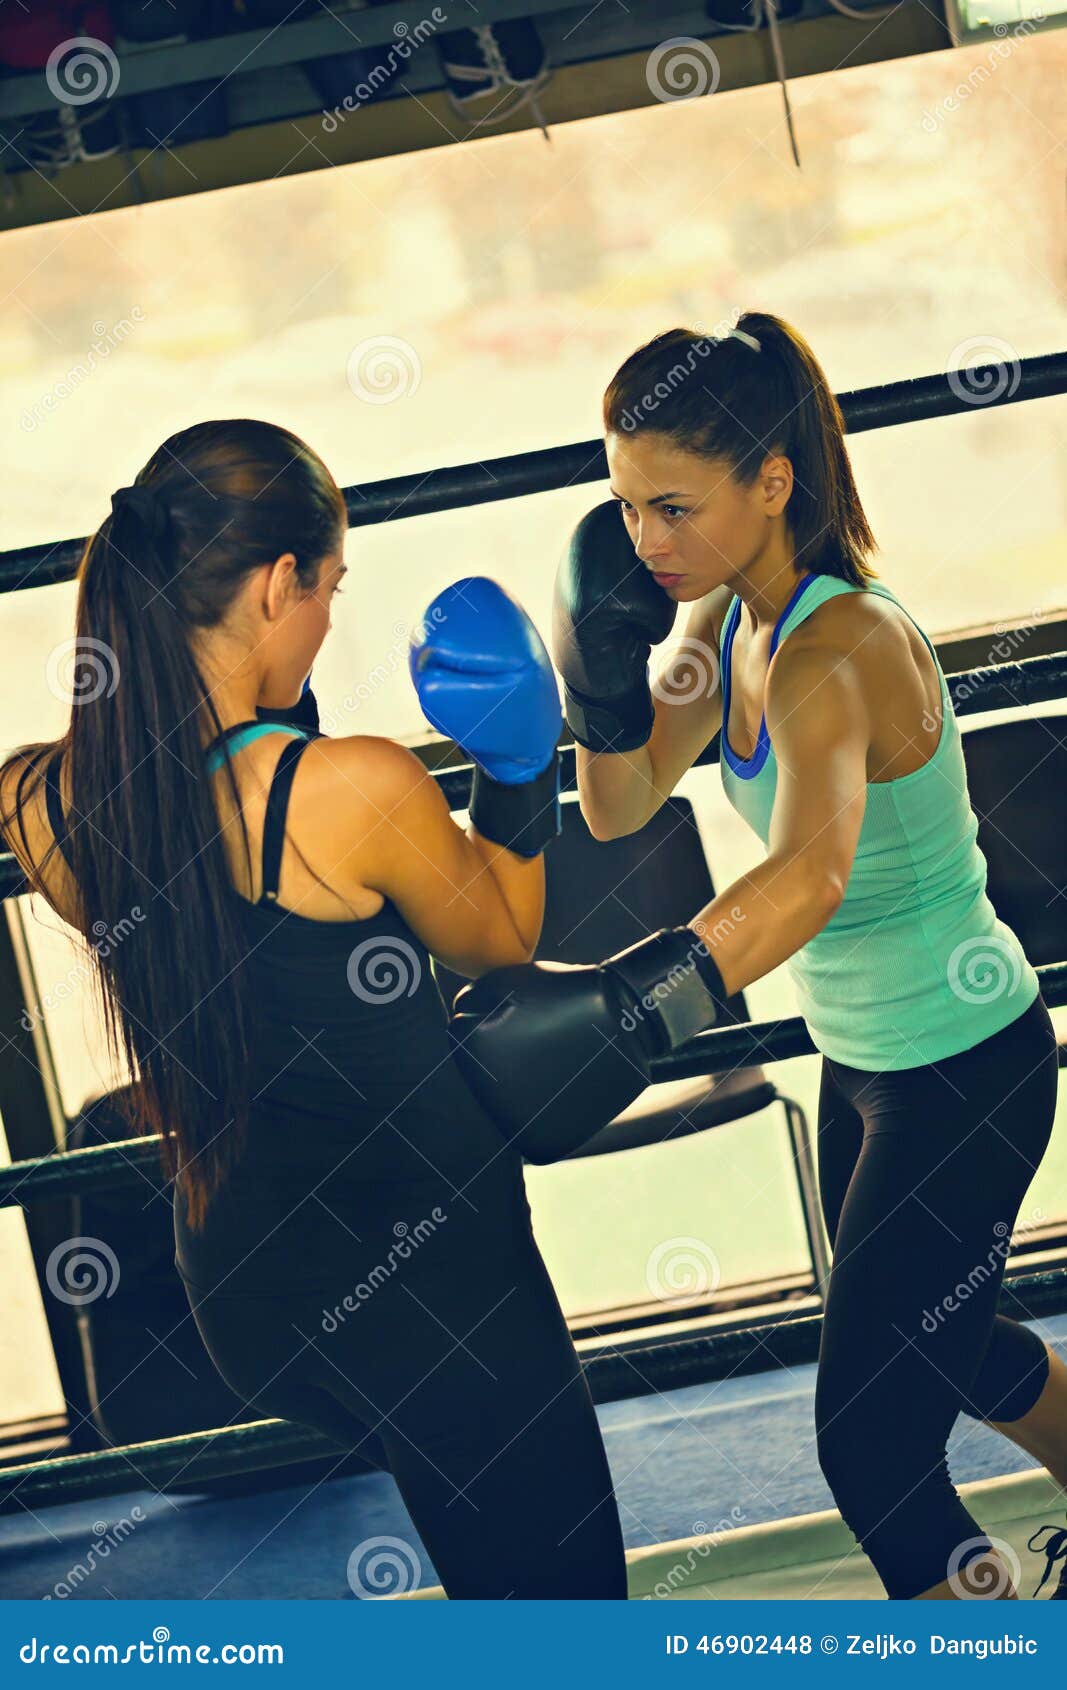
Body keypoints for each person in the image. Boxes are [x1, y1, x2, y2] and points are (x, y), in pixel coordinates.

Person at [0, 419, 627, 1601]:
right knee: (565, 1612)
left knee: (483, 1561)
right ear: (278, 582)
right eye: (328, 587)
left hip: (247, 1281)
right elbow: (500, 939)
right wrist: (513, 766)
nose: (330, 617)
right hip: (438, 1276)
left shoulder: (43, 802)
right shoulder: (348, 788)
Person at [539, 311, 1063, 1601]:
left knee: (869, 1444)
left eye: (672, 508)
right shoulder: (726, 625)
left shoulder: (835, 647)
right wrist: (598, 685)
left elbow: (806, 875)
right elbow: (619, 804)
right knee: (942, 1342)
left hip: (960, 1072)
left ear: (770, 483)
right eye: (625, 510)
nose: (644, 544)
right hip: (868, 1066)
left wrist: (652, 995)